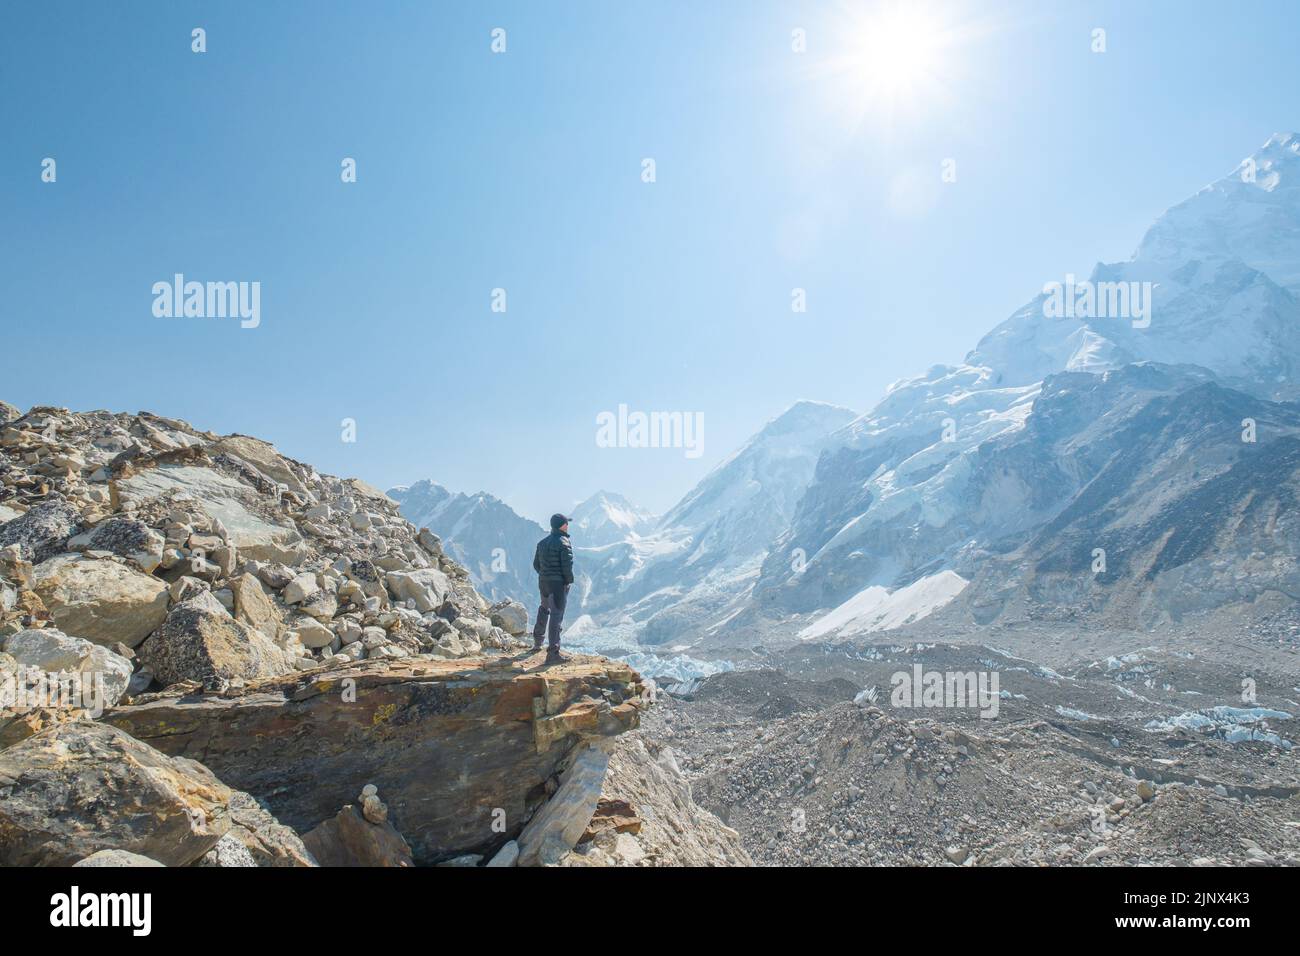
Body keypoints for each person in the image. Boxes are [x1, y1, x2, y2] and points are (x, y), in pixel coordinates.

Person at [532, 513, 574, 662]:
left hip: (543, 582)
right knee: (556, 615)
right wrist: (568, 581)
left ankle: (537, 642)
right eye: (566, 523)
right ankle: (553, 654)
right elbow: (567, 567)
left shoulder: (542, 543)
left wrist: (545, 574)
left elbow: (536, 565)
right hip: (557, 585)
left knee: (544, 609)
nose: (568, 525)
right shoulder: (564, 542)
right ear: (562, 525)